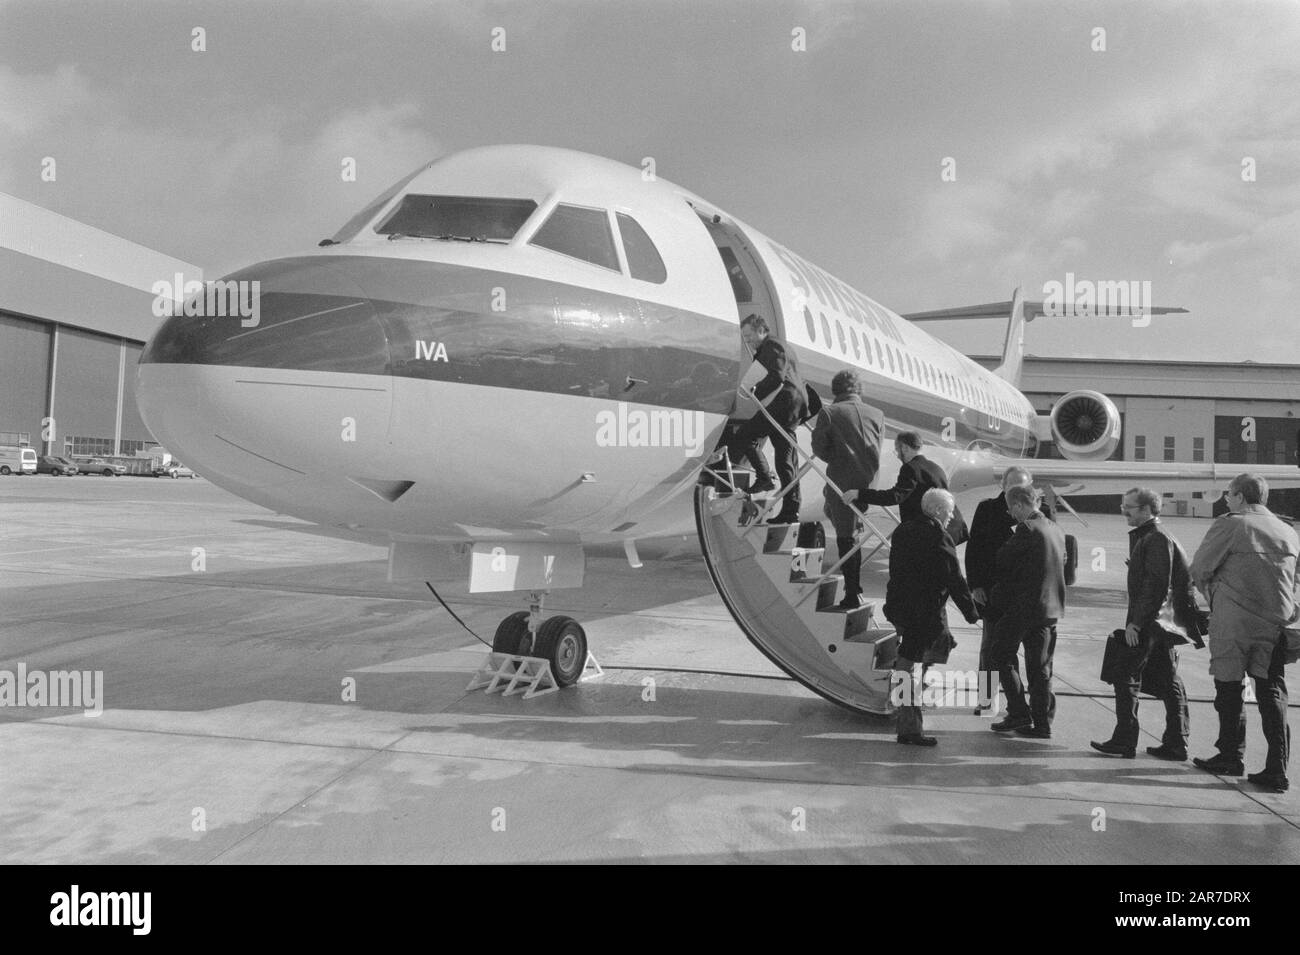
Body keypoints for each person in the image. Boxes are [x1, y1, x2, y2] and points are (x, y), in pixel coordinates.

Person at [1189, 473, 1299, 793]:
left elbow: (1200, 570)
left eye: (1228, 493)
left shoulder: (1231, 524)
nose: (1225, 498)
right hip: (1276, 626)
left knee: (1229, 690)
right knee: (1271, 694)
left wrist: (1216, 600)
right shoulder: (1287, 531)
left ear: (1240, 497)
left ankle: (1230, 755)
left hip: (1234, 625)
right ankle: (1277, 769)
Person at [1090, 487, 1191, 760]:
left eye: (1129, 507)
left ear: (1146, 510)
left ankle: (1125, 740)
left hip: (1151, 624)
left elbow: (1156, 586)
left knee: (1125, 677)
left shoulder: (1155, 538)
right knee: (1169, 682)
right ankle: (1176, 743)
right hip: (1161, 624)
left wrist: (1136, 624)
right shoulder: (1153, 537)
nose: (1123, 511)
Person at [884, 488, 981, 746]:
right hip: (922, 614)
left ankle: (907, 721)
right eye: (949, 512)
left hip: (900, 609)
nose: (951, 518)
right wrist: (972, 613)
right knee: (908, 668)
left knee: (910, 663)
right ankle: (910, 730)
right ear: (937, 511)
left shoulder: (903, 530)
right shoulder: (939, 535)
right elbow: (955, 579)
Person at [987, 483, 1067, 738]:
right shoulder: (1056, 529)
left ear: (1020, 505)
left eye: (1012, 509)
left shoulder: (1027, 529)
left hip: (1024, 608)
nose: (1011, 514)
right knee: (1040, 668)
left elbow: (1002, 560)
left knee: (999, 655)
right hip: (1049, 609)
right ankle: (1042, 724)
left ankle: (1019, 712)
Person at [965, 466, 1044, 713]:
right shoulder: (987, 509)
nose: (1017, 492)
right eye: (1012, 487)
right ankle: (987, 698)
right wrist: (975, 584)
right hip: (994, 592)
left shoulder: (1043, 514)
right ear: (1003, 485)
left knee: (1033, 656)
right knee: (991, 649)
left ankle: (1025, 707)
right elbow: (974, 549)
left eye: (1023, 486)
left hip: (1027, 597)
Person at [811, 370, 885, 610]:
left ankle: (851, 593)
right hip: (869, 484)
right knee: (851, 532)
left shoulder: (830, 412)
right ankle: (855, 586)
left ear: (836, 390)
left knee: (845, 539)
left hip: (842, 484)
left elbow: (820, 449)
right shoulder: (878, 414)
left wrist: (838, 456)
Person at [726, 314, 807, 524]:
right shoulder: (778, 346)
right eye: (745, 336)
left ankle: (764, 478)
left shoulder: (772, 346)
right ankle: (791, 508)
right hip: (793, 405)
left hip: (784, 403)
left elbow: (777, 376)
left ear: (762, 330)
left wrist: (755, 390)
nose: (748, 340)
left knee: (745, 436)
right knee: (786, 459)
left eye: (750, 335)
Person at [860, 431, 948, 525]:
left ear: (905, 448)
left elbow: (895, 497)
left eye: (897, 450)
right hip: (946, 528)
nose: (897, 456)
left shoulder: (910, 468)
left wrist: (860, 494)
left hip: (922, 530)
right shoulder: (936, 468)